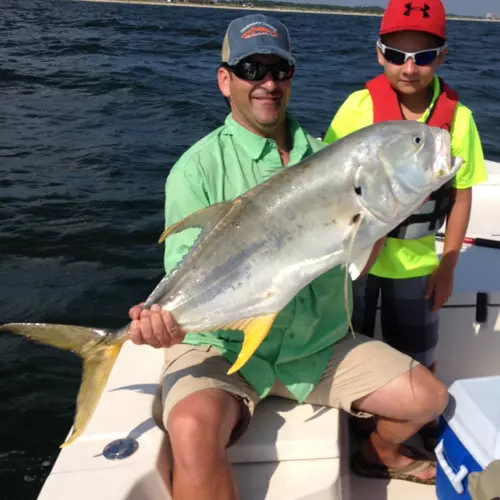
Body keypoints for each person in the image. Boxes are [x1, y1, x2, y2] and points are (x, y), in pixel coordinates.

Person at [128, 14, 448, 499]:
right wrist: (163, 321)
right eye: (251, 69)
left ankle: (378, 453)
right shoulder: (195, 169)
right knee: (192, 431)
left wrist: (389, 209)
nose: (268, 83)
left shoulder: (327, 157)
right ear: (225, 79)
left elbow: (357, 246)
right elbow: (182, 271)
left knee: (427, 398)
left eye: (279, 69)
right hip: (222, 342)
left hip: (314, 346)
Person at [323, 0, 487, 452]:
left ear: (443, 56)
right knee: (350, 350)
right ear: (379, 54)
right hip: (356, 260)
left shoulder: (459, 120)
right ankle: (351, 431)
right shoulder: (357, 108)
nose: (409, 67)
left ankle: (401, 433)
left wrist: (448, 264)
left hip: (416, 264)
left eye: (424, 55)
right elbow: (329, 180)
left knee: (417, 358)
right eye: (396, 55)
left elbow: (464, 192)